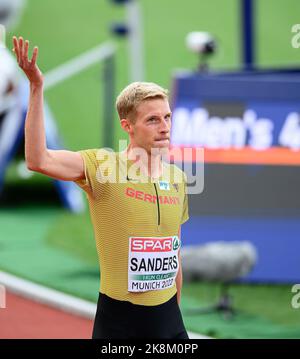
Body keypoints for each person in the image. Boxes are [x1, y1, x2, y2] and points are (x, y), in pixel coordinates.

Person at [12, 36, 190, 339]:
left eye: (167, 117)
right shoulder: (104, 167)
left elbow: (173, 250)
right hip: (120, 321)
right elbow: (38, 159)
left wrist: (174, 310)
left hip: (169, 321)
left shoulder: (177, 178)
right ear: (127, 126)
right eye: (152, 120)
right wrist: (36, 87)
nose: (164, 127)